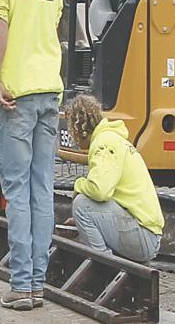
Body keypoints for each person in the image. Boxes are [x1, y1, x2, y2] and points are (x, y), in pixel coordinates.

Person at [0, 0, 63, 311]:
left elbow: (0, 20)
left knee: (17, 191)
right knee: (42, 189)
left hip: (16, 94)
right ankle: (38, 282)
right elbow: (52, 23)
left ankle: (22, 285)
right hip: (49, 89)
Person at [64, 94, 165, 264]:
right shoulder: (113, 139)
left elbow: (99, 191)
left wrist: (78, 185)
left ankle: (104, 266)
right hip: (148, 233)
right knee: (85, 207)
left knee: (81, 204)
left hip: (144, 236)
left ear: (79, 127)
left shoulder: (104, 144)